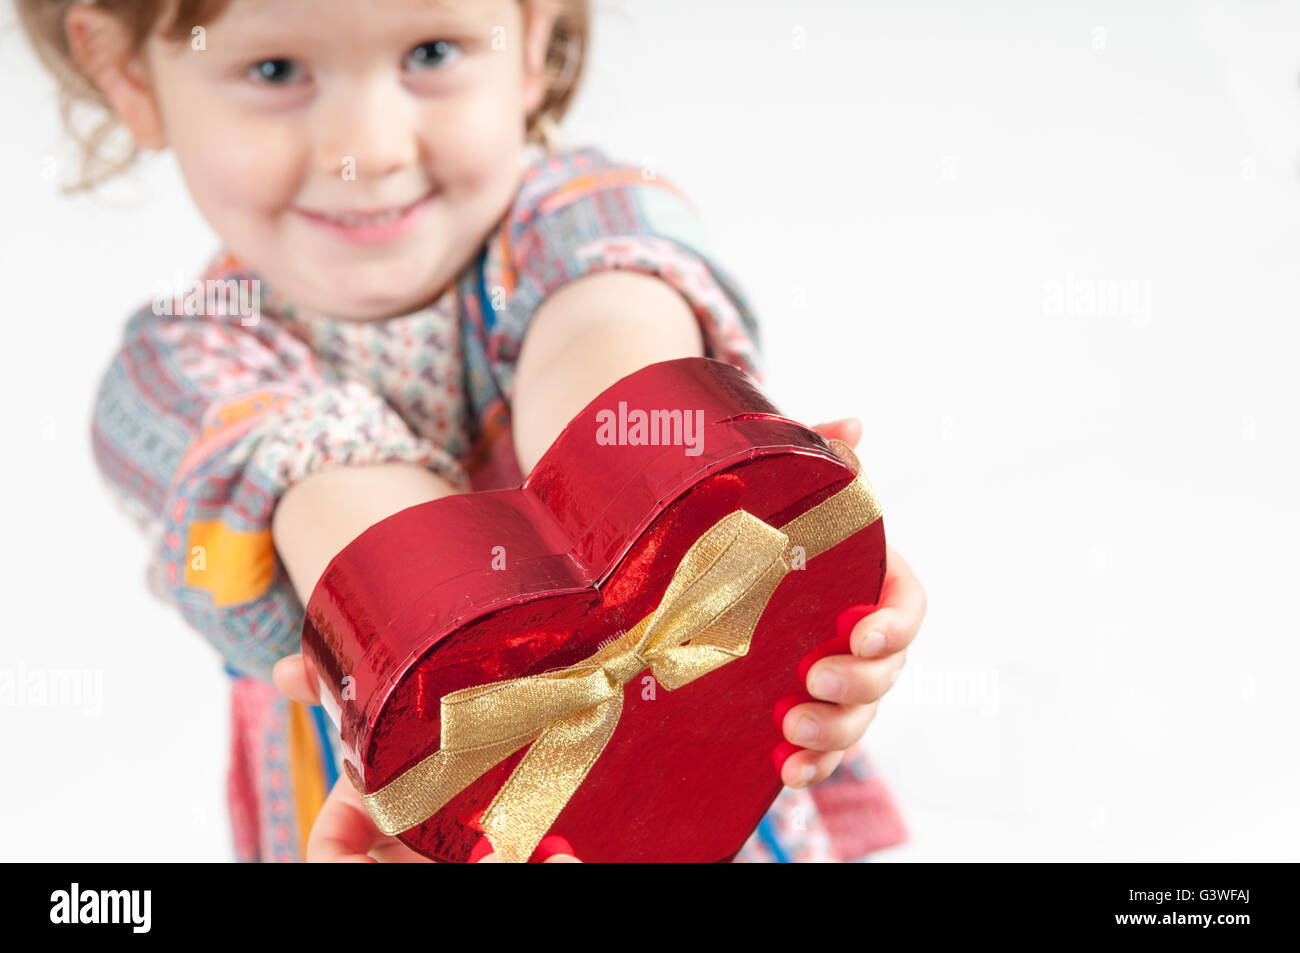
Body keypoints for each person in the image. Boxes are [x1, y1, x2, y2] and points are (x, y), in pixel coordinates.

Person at [18, 0, 926, 862]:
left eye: (431, 53)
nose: (367, 151)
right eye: (275, 67)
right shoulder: (179, 374)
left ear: (532, 35)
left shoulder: (584, 223)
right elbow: (393, 571)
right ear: (128, 74)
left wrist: (779, 546)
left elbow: (612, 363)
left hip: (692, 758)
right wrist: (455, 730)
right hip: (416, 830)